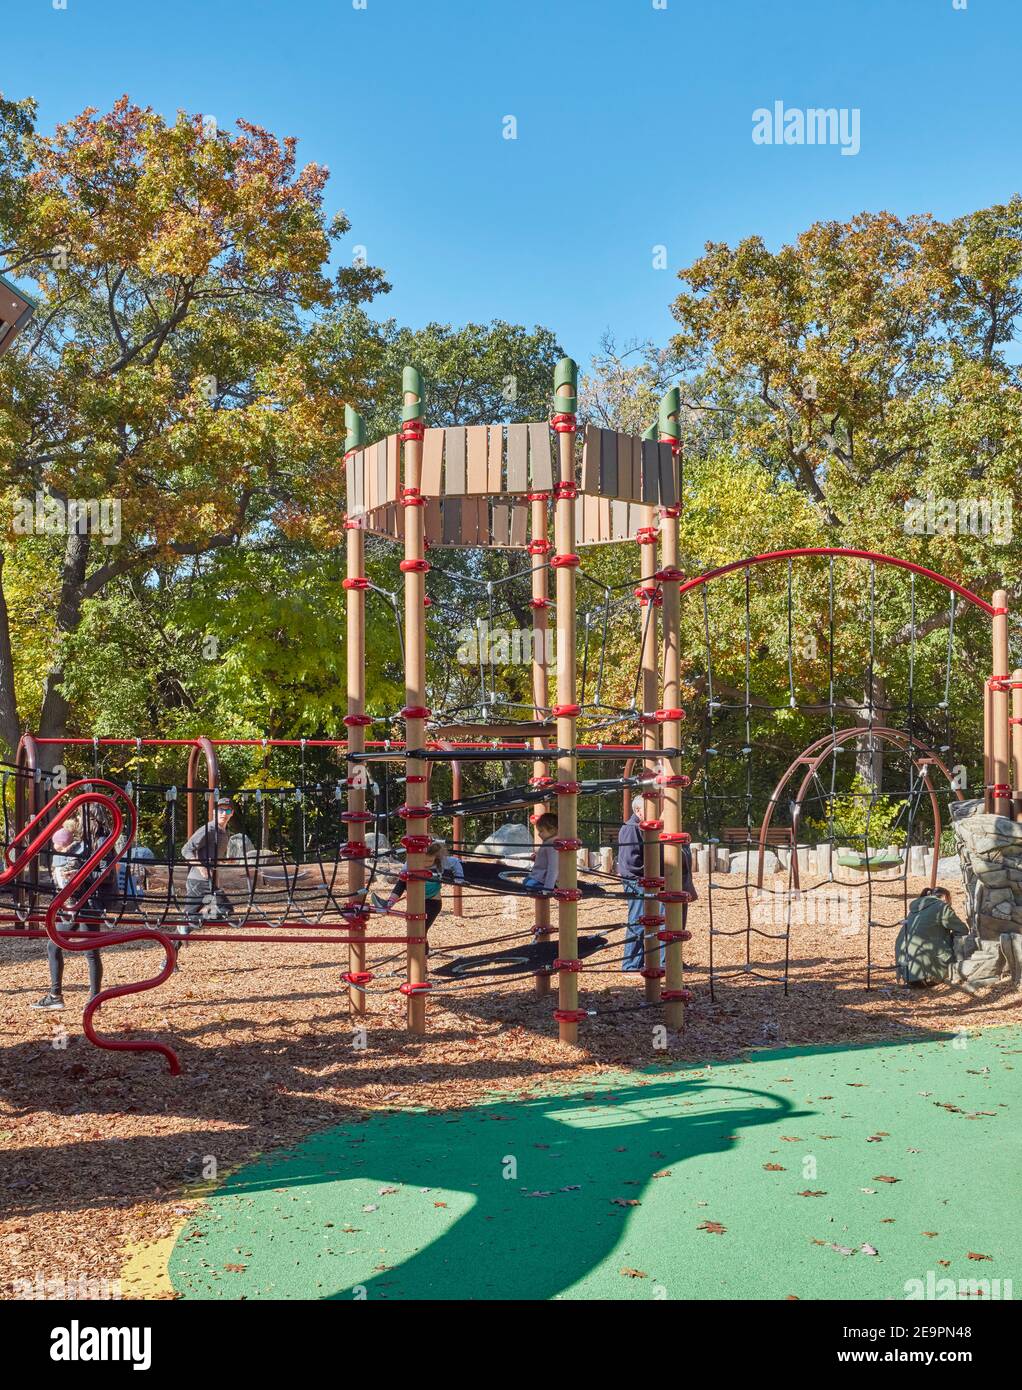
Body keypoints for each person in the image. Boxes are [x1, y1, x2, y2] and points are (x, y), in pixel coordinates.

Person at [31, 808, 118, 1011]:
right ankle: (56, 996)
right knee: (54, 945)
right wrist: (72, 872)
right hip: (77, 899)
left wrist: (79, 875)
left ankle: (94, 999)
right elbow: (82, 865)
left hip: (91, 902)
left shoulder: (104, 841)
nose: (78, 821)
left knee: (90, 951)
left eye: (81, 817)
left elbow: (107, 876)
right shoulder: (85, 841)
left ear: (92, 819)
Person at [618, 796, 696, 972]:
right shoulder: (632, 829)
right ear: (639, 811)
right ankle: (631, 964)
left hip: (654, 880)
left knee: (666, 920)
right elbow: (632, 863)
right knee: (638, 921)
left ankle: (667, 960)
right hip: (638, 882)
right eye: (651, 808)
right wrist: (654, 873)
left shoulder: (650, 829)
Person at [371, 839, 464, 949]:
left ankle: (422, 963)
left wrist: (459, 878)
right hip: (416, 897)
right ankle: (388, 904)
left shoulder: (443, 861)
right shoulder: (412, 861)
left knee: (420, 932)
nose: (426, 864)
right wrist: (404, 874)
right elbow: (404, 872)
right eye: (423, 861)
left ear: (436, 857)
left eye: (429, 862)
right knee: (402, 881)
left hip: (432, 902)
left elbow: (456, 862)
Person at [895, 886, 970, 986]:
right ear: (943, 897)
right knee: (960, 938)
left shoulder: (915, 909)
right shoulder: (941, 907)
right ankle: (957, 968)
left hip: (906, 971)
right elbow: (962, 929)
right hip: (926, 975)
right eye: (949, 900)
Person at [180, 799, 236, 934]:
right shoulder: (209, 829)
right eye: (221, 810)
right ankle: (188, 922)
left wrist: (226, 862)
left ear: (232, 813)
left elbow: (212, 858)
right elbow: (186, 850)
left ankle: (184, 927)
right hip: (199, 882)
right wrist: (201, 868)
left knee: (191, 918)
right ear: (214, 812)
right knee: (225, 910)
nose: (224, 813)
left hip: (207, 882)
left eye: (227, 810)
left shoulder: (224, 832)